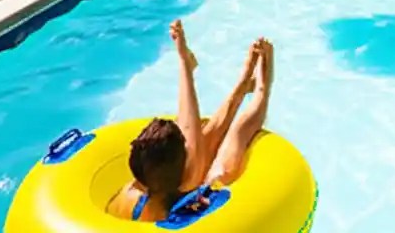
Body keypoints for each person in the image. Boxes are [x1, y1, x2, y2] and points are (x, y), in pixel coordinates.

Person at [107, 20, 273, 223]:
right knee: (222, 160)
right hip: (184, 203)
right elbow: (201, 136)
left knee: (185, 150)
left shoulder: (129, 196)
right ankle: (261, 88)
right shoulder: (203, 181)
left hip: (161, 193)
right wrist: (263, 88)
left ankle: (234, 85)